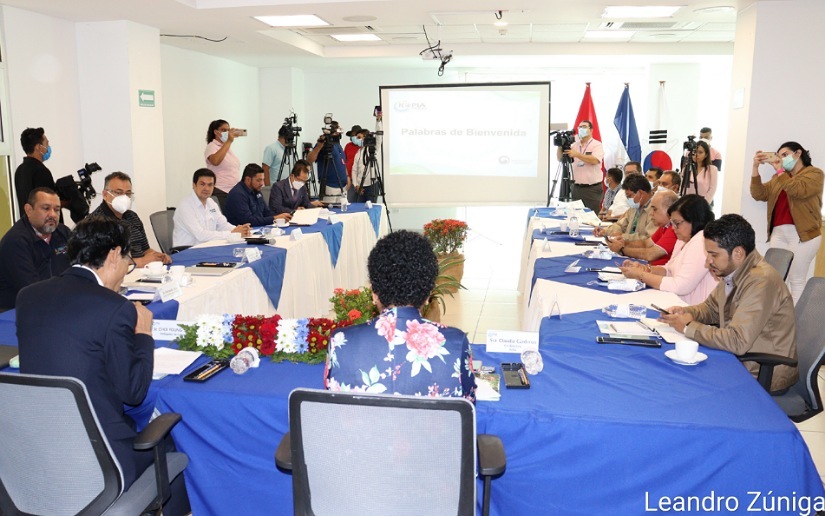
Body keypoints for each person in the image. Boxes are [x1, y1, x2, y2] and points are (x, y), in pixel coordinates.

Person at [16, 216, 155, 489]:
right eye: (128, 262)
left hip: (35, 452)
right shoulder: (115, 307)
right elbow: (134, 393)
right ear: (115, 254)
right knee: (176, 443)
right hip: (102, 458)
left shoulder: (27, 297)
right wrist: (144, 335)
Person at [325, 230, 477, 401]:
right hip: (427, 428)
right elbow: (468, 403)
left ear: (374, 293)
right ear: (428, 295)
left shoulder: (340, 341)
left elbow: (334, 403)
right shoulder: (455, 343)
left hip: (364, 428)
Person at [660, 214, 797, 393]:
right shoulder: (733, 270)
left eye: (713, 255)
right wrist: (687, 312)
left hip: (761, 374)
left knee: (679, 386)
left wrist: (688, 327)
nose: (708, 262)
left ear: (738, 253)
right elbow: (711, 308)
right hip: (739, 361)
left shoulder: (760, 281)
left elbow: (737, 341)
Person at [751, 142, 823, 304]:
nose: (781, 159)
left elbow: (798, 189)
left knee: (796, 279)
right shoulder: (779, 177)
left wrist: (780, 171)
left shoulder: (814, 174)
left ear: (798, 154)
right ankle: (778, 320)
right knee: (775, 281)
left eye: (785, 155)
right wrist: (755, 168)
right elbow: (758, 194)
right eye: (778, 156)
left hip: (803, 234)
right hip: (779, 233)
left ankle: (797, 325)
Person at [621, 194, 718, 304]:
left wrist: (641, 275)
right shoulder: (683, 238)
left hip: (693, 310)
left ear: (694, 220)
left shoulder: (701, 241)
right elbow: (668, 270)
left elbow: (680, 286)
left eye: (677, 223)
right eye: (672, 223)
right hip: (676, 303)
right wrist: (645, 269)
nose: (674, 228)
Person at [0, 188, 70, 310]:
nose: (53, 214)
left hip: (57, 303)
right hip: (19, 311)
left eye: (57, 210)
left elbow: (80, 267)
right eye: (46, 208)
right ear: (28, 210)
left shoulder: (63, 232)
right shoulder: (15, 242)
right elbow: (33, 288)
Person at [91, 172, 171, 266]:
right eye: (118, 193)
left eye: (128, 193)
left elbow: (145, 250)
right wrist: (141, 261)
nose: (124, 197)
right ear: (105, 195)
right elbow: (102, 262)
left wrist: (158, 256)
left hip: (143, 272)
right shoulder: (95, 223)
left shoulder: (132, 216)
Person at [173, 169, 250, 248]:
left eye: (210, 185)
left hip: (208, 247)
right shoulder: (185, 206)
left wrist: (240, 230)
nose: (206, 188)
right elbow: (200, 235)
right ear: (194, 185)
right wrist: (232, 233)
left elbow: (223, 225)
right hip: (188, 251)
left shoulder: (211, 203)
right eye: (202, 184)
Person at [607, 189, 679, 266]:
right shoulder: (664, 226)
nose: (651, 213)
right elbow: (645, 244)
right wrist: (624, 243)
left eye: (655, 209)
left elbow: (650, 254)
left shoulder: (674, 229)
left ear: (669, 210)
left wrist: (622, 249)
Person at [556, 120, 604, 213]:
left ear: (591, 130)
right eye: (580, 127)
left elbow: (594, 160)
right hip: (576, 188)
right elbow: (560, 159)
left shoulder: (597, 145)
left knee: (591, 216)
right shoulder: (574, 144)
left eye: (584, 127)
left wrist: (577, 154)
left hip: (591, 189)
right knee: (576, 215)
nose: (581, 129)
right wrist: (560, 146)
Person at [593, 174, 657, 241]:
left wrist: (624, 237)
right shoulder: (635, 207)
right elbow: (620, 226)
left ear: (640, 193)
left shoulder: (655, 209)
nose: (628, 199)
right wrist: (605, 231)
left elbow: (648, 237)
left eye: (629, 196)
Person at [224, 163, 291, 226]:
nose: (262, 183)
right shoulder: (238, 195)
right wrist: (274, 218)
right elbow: (249, 221)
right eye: (259, 180)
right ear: (248, 180)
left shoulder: (256, 190)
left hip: (257, 228)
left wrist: (282, 217)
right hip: (242, 233)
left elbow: (266, 212)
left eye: (263, 180)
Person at [14, 127, 56, 217]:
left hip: (26, 227)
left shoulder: (19, 170)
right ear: (38, 147)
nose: (48, 148)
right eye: (47, 144)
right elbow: (48, 204)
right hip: (43, 227)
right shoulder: (41, 171)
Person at [308, 120, 350, 202]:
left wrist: (347, 176)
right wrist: (319, 145)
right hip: (330, 186)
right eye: (336, 131)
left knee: (342, 211)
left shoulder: (338, 144)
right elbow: (309, 159)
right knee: (330, 212)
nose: (339, 133)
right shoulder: (324, 144)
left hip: (343, 186)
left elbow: (342, 162)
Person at [204, 119, 243, 204]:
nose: (227, 133)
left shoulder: (226, 147)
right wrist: (229, 141)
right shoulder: (212, 146)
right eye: (223, 130)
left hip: (233, 190)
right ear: (216, 132)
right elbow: (215, 161)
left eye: (228, 130)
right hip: (221, 190)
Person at [352, 129, 379, 203]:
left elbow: (379, 138)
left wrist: (378, 121)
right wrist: (356, 185)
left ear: (365, 137)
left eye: (359, 137)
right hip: (360, 186)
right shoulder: (359, 152)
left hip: (371, 185)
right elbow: (354, 170)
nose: (356, 140)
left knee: (371, 208)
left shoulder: (373, 149)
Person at [343, 124, 364, 203]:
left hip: (362, 179)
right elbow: (344, 161)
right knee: (351, 201)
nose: (354, 137)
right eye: (352, 135)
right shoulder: (348, 146)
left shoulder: (364, 147)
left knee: (362, 202)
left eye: (356, 135)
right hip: (350, 179)